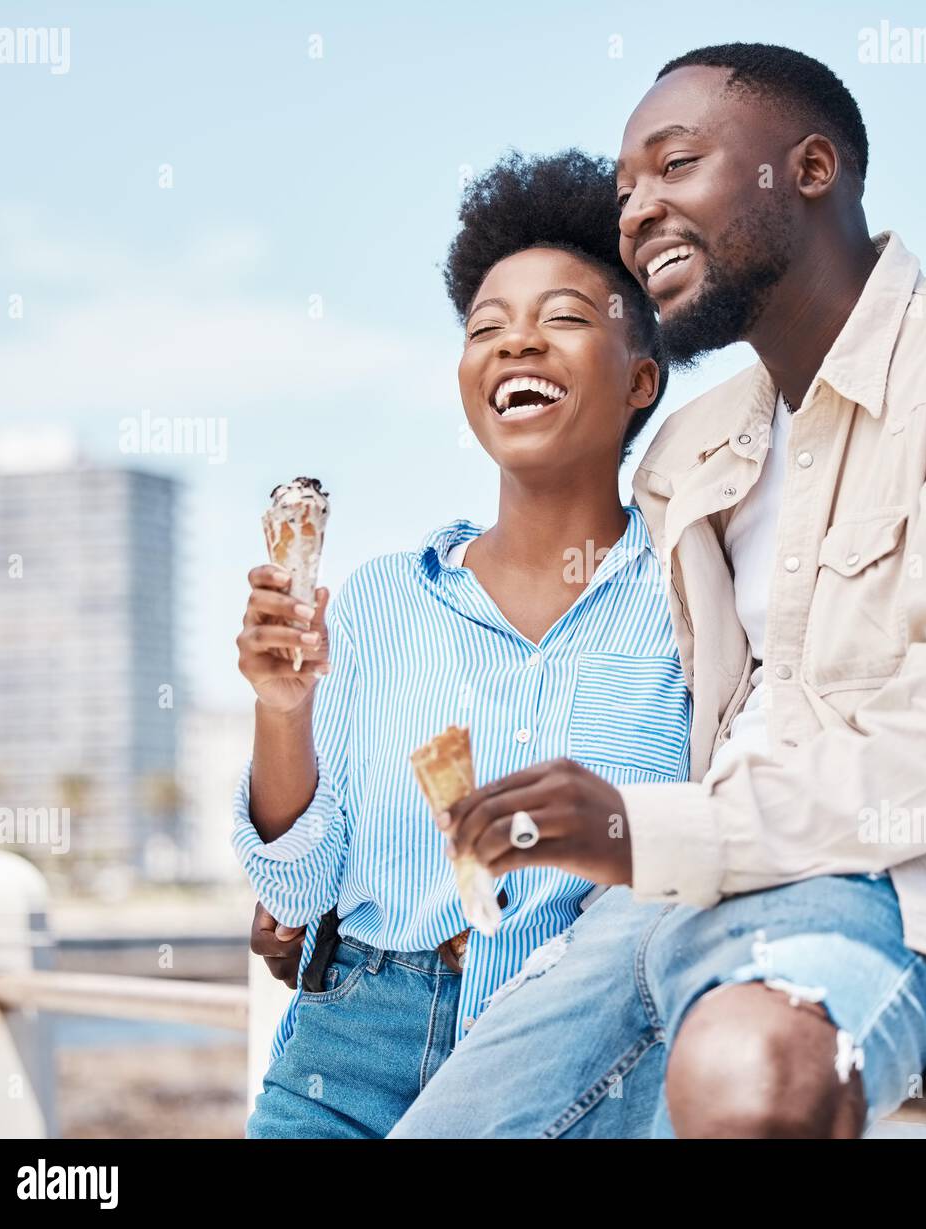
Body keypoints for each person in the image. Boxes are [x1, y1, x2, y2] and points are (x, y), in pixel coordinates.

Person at [388, 42, 926, 1138]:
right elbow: (665, 701)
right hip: (672, 897)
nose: (637, 212)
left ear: (809, 167)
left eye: (676, 164)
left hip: (903, 897)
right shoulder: (690, 452)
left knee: (753, 1075)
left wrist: (640, 827)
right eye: (624, 193)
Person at [233, 149, 686, 1137]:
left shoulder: (692, 603)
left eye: (564, 318)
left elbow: (748, 824)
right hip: (352, 1050)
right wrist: (282, 709)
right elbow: (298, 888)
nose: (516, 342)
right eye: (487, 326)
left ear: (641, 377)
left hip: (581, 1056)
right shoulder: (378, 602)